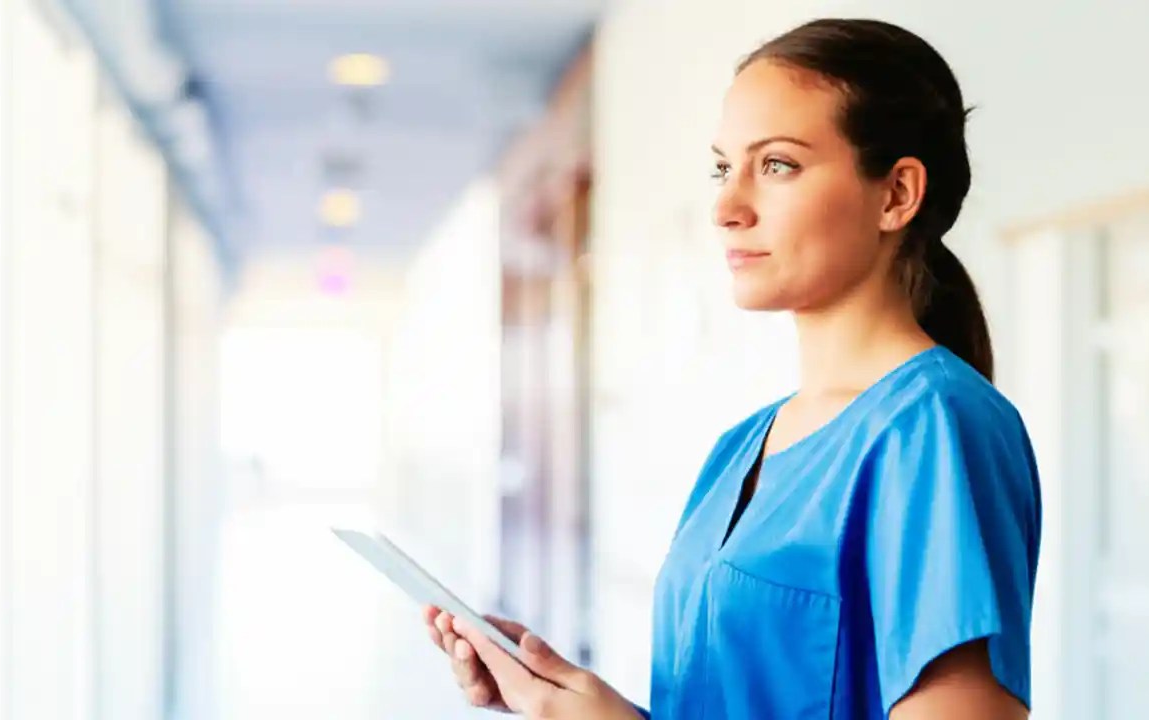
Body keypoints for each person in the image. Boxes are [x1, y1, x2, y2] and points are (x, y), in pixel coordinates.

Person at [423, 17, 1040, 719]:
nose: (726, 207)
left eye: (777, 165)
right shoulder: (743, 446)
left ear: (897, 194)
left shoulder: (933, 427)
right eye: (724, 167)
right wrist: (574, 704)